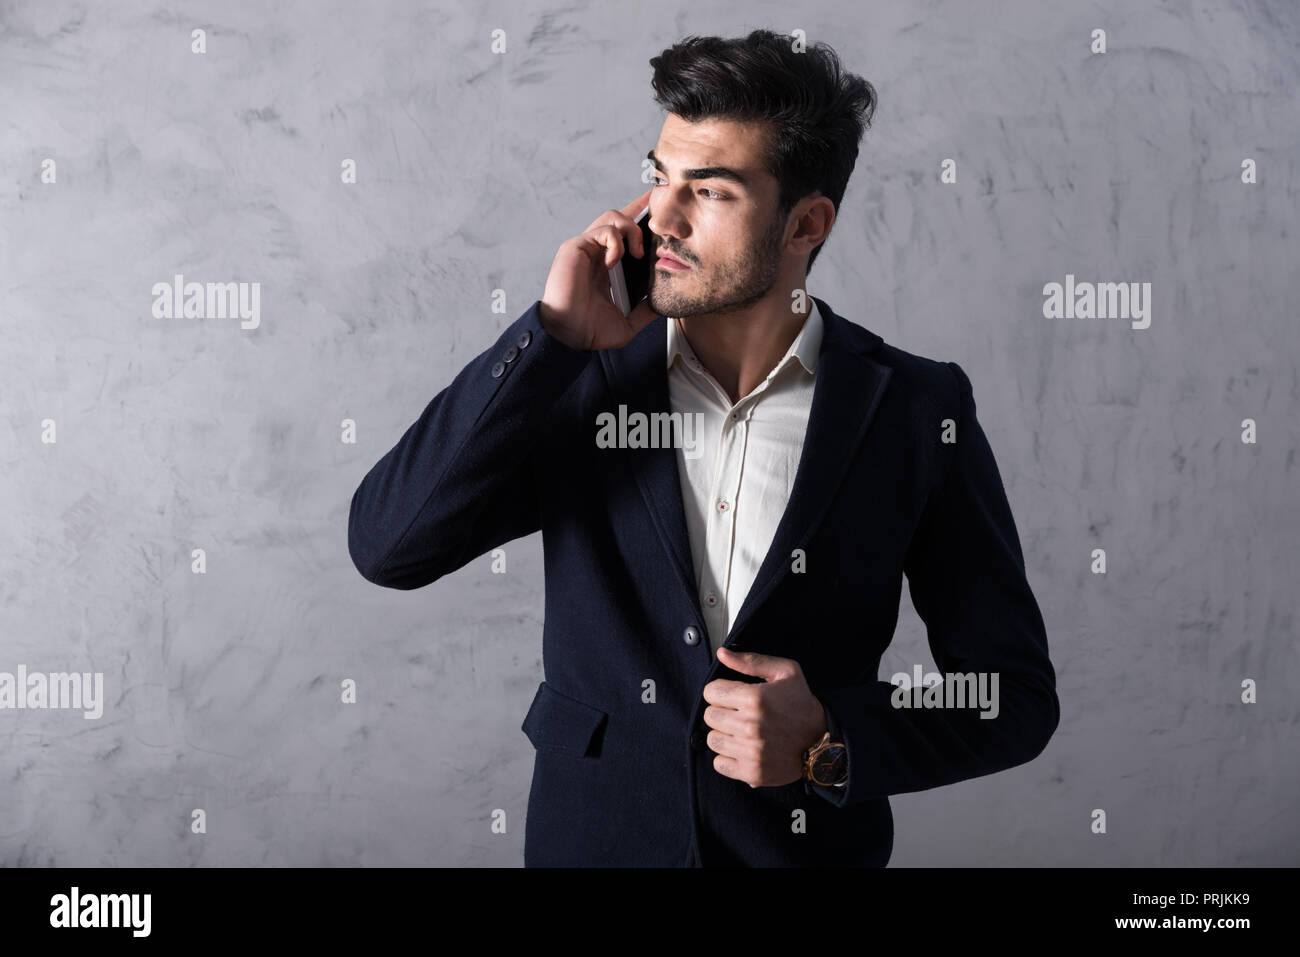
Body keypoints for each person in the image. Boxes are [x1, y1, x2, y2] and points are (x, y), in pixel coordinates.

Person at [348, 29, 1059, 866]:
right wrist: (550, 338)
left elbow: (1012, 697)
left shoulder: (913, 408)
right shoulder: (579, 379)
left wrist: (831, 739)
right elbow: (387, 545)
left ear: (806, 223)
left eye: (711, 191)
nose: (662, 219)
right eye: (659, 177)